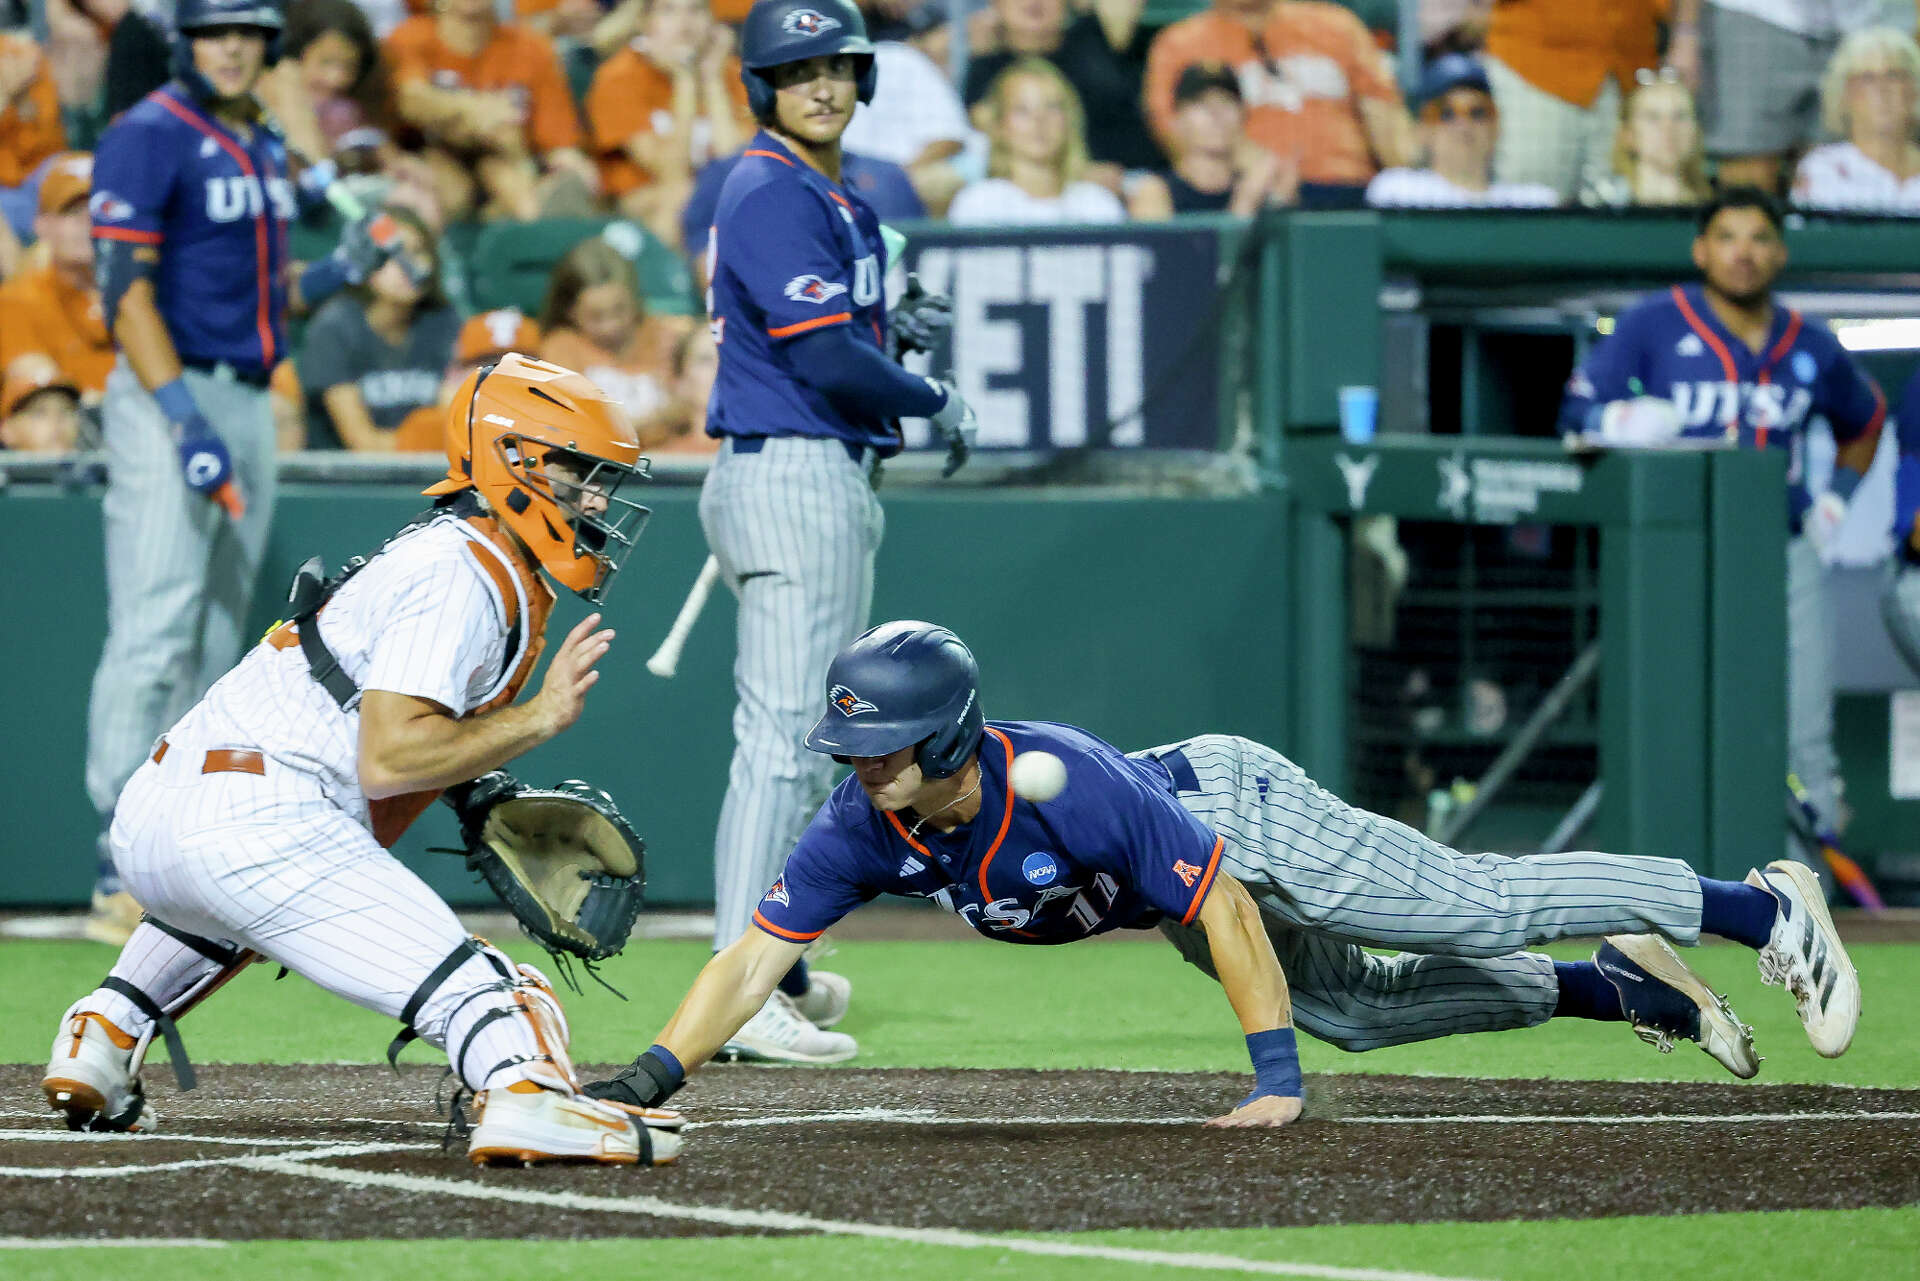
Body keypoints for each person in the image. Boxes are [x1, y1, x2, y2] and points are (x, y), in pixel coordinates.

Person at [586, 620, 1862, 1126]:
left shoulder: (1070, 782)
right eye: (850, 744)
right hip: (1179, 871)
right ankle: (1623, 990)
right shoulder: (861, 825)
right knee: (1359, 1010)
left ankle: (1759, 906)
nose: (859, 767)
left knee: (1468, 905)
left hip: (1235, 816)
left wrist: (1273, 1080)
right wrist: (647, 1079)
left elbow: (1228, 906)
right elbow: (754, 957)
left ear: (951, 739)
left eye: (881, 746)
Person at [40, 352, 683, 1168]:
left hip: (166, 813)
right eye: (581, 473)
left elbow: (382, 729)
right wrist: (539, 718)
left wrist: (476, 789)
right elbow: (389, 755)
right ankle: (529, 1094)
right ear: (515, 460)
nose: (596, 498)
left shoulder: (451, 549)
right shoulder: (468, 569)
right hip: (259, 818)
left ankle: (106, 1027)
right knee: (498, 994)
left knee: (233, 906)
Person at [81, 0, 413, 946]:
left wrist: (342, 268)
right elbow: (124, 289)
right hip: (167, 390)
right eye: (214, 32)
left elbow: (267, 292)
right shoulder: (148, 134)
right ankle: (116, 853)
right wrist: (178, 414)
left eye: (247, 33)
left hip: (248, 393)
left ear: (267, 45)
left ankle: (180, 840)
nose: (231, 48)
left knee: (218, 625)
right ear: (185, 43)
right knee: (153, 621)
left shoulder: (257, 143)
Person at [698, 0, 975, 1063]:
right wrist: (927, 389)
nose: (821, 85)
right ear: (762, 84)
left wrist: (886, 330)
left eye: (839, 67)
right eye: (797, 69)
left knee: (814, 748)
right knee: (779, 747)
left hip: (815, 468)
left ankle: (784, 963)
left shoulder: (827, 193)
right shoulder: (769, 184)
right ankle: (737, 985)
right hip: (793, 465)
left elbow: (835, 335)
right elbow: (821, 359)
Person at [1558, 188, 1886, 855]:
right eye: (1728, 236)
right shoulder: (1654, 322)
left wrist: (1836, 499)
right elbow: (1575, 417)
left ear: (1781, 252)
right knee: (1671, 715)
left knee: (1803, 728)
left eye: (1760, 237)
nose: (1744, 252)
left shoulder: (1811, 343)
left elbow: (1867, 418)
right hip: (1677, 552)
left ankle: (1807, 901)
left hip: (1781, 545)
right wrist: (1620, 422)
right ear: (1701, 249)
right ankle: (1668, 886)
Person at [1142, 0, 1410, 205]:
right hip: (1251, 197)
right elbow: (1175, 135)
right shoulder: (1180, 43)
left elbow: (1385, 113)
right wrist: (1264, 172)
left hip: (1352, 190)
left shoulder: (1337, 26)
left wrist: (1405, 173)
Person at [383, 0, 598, 220]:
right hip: (430, 152)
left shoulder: (531, 47)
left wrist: (571, 167)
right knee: (447, 188)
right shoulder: (410, 37)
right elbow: (410, 99)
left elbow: (558, 141)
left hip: (508, 157)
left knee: (514, 182)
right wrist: (477, 109)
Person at [585, 0, 751, 250]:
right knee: (682, 193)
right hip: (646, 198)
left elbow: (735, 163)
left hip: (717, 194)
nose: (684, 25)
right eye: (669, 11)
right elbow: (670, 171)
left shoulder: (731, 73)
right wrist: (684, 82)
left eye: (696, 10)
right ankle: (669, 285)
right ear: (645, 22)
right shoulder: (619, 77)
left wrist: (713, 80)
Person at [1672, 0, 1881, 196]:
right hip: (1753, 14)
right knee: (1748, 165)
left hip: (1857, 22)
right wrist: (1686, 30)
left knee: (1835, 168)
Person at [298, 205, 458, 450]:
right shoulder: (335, 327)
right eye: (392, 255)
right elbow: (362, 442)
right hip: (349, 480)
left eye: (417, 252)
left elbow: (457, 424)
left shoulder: (443, 321)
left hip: (430, 474)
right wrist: (425, 441)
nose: (407, 265)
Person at [1478, 0, 1662, 201]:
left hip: (1626, 66)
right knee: (1532, 202)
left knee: (1615, 206)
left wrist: (1685, 32)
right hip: (1534, 63)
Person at [958, 0, 1159, 178]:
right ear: (996, 5)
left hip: (1139, 178)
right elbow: (993, 138)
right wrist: (1081, 176)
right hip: (1050, 187)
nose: (1035, 2)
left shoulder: (1096, 34)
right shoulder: (987, 68)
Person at [537, 236, 692, 444]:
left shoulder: (662, 336)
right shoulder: (561, 348)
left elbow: (687, 407)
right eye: (596, 316)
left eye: (620, 310)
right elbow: (572, 426)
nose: (611, 326)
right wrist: (652, 422)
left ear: (635, 300)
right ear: (570, 312)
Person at [1365, 54, 1558, 209]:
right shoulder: (1399, 191)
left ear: (1497, 126)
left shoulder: (1532, 202)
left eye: (1478, 112)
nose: (1463, 124)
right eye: (1447, 114)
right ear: (1422, 131)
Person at [948, 58, 1124, 226]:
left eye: (1052, 107)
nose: (1039, 120)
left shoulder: (1098, 205)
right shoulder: (977, 205)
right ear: (1000, 125)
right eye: (1022, 110)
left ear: (1069, 120)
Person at [0, 153, 113, 407]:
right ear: (42, 226)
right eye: (72, 211)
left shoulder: (146, 293)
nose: (88, 221)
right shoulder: (18, 301)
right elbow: (43, 404)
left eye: (99, 208)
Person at [1128, 61, 1296, 218]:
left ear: (1242, 116)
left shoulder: (1260, 186)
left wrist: (1277, 200)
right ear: (1178, 120)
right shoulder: (1157, 191)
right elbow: (1160, 249)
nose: (1216, 114)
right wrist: (1245, 203)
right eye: (1201, 103)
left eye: (1226, 101)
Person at [1792, 28, 1920, 215]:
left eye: (1894, 76)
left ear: (1914, 90)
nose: (1882, 90)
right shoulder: (1824, 170)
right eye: (1867, 78)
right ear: (1843, 94)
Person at [1582, 70, 1711, 209]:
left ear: (1695, 132)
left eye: (1680, 116)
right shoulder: (1602, 211)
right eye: (1653, 117)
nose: (1668, 128)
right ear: (1628, 134)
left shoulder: (1715, 214)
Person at [0, 28, 63, 246]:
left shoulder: (20, 52)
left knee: (67, 176)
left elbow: (44, 130)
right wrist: (8, 94)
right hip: (4, 190)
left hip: (39, 169)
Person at [0, 358, 85, 451]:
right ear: (6, 428)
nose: (57, 419)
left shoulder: (98, 463)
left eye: (66, 410)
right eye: (39, 413)